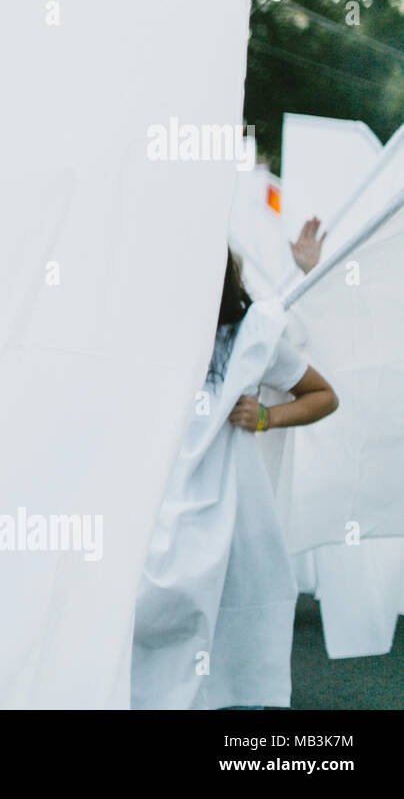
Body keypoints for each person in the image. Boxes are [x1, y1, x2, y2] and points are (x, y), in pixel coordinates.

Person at [132, 250, 337, 709]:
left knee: (232, 633)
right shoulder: (149, 339)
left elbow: (324, 396)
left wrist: (267, 415)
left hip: (234, 511)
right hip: (160, 508)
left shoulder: (250, 335)